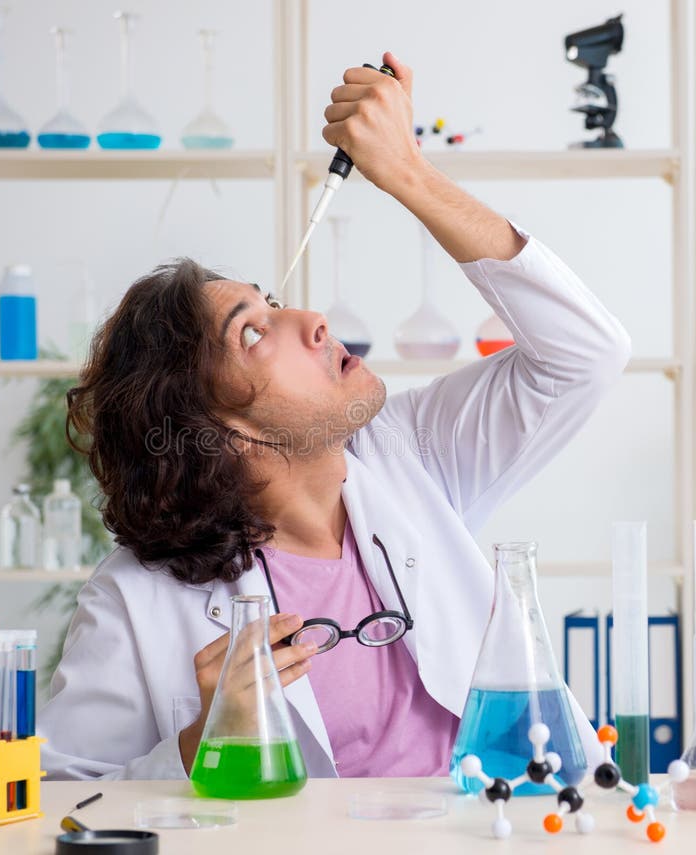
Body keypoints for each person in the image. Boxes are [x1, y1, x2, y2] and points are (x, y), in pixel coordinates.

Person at [39, 52, 630, 780]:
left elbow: (587, 353)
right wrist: (195, 749)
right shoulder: (134, 600)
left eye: (275, 303)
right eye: (253, 332)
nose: (315, 322)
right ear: (208, 425)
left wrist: (408, 173)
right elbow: (62, 803)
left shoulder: (411, 455)